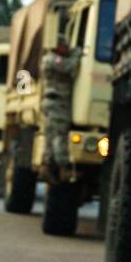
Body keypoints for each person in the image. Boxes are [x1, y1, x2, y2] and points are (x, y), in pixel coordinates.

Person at [40, 36, 80, 184]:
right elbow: (69, 66)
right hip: (57, 102)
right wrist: (77, 54)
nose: (67, 48)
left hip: (54, 103)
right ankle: (63, 168)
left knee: (50, 137)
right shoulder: (52, 59)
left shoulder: (52, 58)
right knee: (59, 136)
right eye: (65, 45)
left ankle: (47, 167)